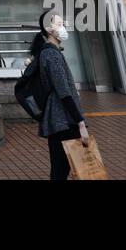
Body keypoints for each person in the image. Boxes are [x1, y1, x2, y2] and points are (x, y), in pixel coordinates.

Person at [30, 9, 90, 180]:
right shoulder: (51, 54)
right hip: (63, 120)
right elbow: (63, 92)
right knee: (61, 170)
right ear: (49, 29)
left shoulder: (50, 52)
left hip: (59, 119)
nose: (63, 27)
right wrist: (80, 123)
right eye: (59, 24)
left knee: (60, 169)